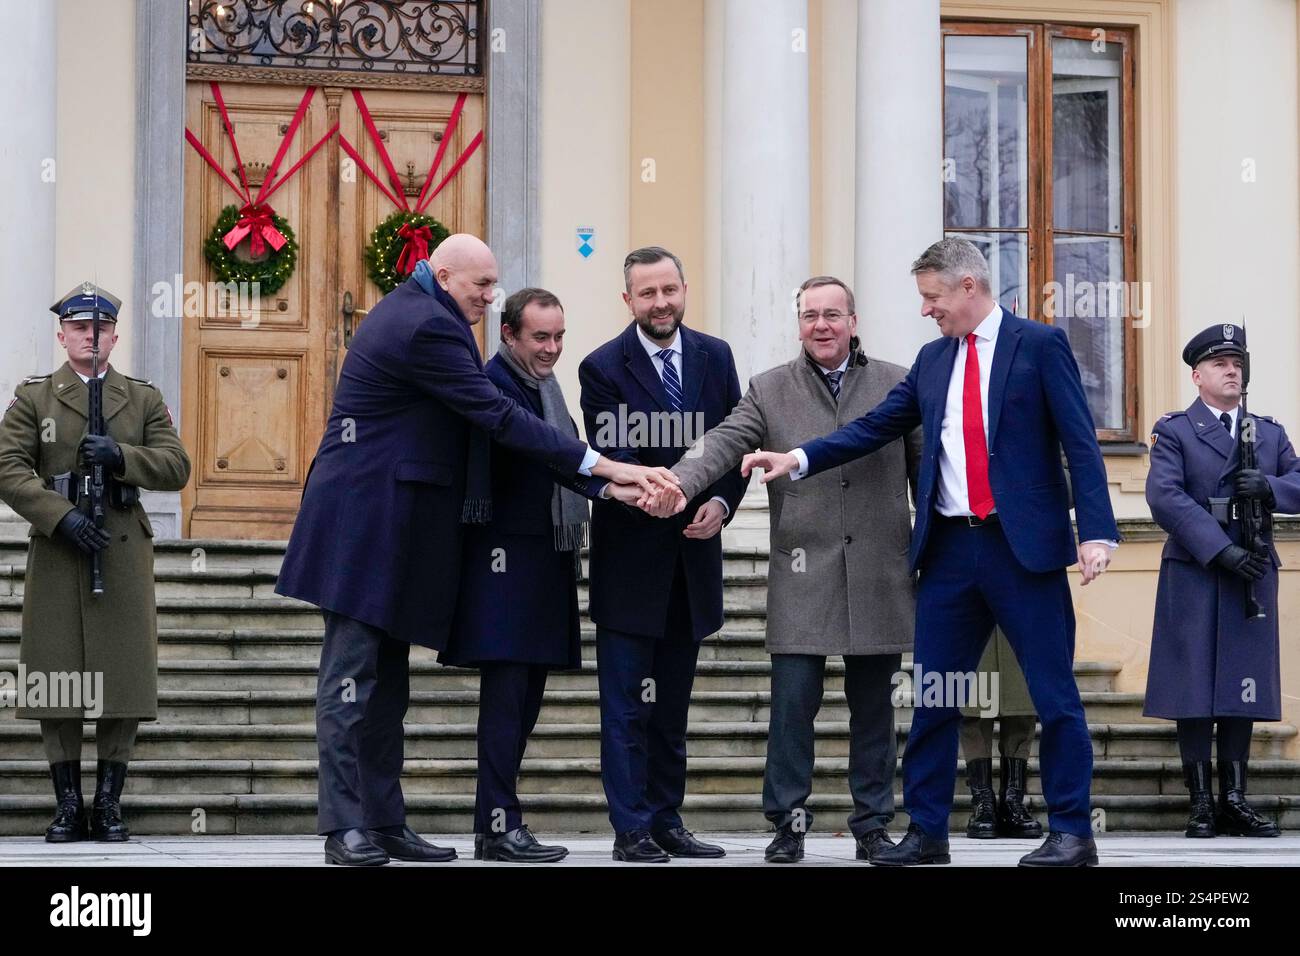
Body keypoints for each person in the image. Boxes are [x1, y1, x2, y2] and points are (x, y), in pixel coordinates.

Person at [275, 235, 682, 866]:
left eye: (494, 286)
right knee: (352, 680)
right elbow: (494, 413)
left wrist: (605, 482)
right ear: (441, 274)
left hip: (399, 523)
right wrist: (604, 465)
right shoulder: (424, 325)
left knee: (387, 685)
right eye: (481, 286)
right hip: (364, 522)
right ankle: (344, 826)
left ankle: (383, 822)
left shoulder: (432, 313)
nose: (491, 298)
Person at [742, 237, 1119, 867]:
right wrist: (800, 457)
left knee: (1055, 696)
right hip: (948, 553)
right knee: (935, 696)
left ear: (968, 287)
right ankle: (927, 833)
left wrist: (1098, 532)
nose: (926, 311)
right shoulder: (933, 360)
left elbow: (1080, 444)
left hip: (1020, 551)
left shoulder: (1039, 346)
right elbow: (875, 427)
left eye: (931, 297)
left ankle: (1073, 833)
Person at [663, 275, 919, 863]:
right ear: (798, 323)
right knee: (791, 708)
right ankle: (788, 824)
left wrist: (935, 548)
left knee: (875, 710)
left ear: (854, 321)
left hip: (881, 569)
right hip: (803, 571)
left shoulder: (898, 383)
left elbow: (927, 466)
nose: (821, 325)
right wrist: (674, 480)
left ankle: (873, 826)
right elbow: (723, 443)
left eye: (833, 314)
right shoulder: (769, 389)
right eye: (810, 316)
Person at [443, 287, 635, 862]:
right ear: (508, 334)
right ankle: (498, 829)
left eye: (558, 337)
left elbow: (566, 459)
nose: (552, 348)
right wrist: (610, 480)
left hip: (545, 562)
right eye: (540, 337)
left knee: (524, 705)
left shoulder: (545, 387)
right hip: (501, 568)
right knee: (505, 706)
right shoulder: (495, 385)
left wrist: (614, 488)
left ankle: (494, 827)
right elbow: (548, 454)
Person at [0, 282, 191, 843]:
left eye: (101, 328)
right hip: (61, 551)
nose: (91, 336)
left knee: (122, 677)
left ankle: (108, 806)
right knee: (57, 677)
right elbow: (8, 467)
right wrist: (59, 516)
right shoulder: (34, 398)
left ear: (114, 334)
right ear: (62, 335)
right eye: (80, 328)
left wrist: (124, 457)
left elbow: (176, 465)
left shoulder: (143, 397)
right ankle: (66, 805)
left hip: (121, 547)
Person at [579, 246, 748, 862]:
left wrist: (722, 503)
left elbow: (737, 439)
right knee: (625, 708)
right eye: (647, 294)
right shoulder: (602, 366)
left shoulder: (716, 356)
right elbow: (612, 454)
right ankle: (632, 831)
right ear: (628, 301)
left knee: (670, 706)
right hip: (632, 563)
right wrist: (662, 494)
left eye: (669, 290)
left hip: (693, 560)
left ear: (684, 288)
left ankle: (667, 819)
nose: (661, 303)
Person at [1144, 323, 1300, 838]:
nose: (1232, 370)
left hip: (1251, 572)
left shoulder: (1268, 433)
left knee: (1242, 687)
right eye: (1219, 364)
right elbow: (1165, 497)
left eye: (1237, 363)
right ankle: (1201, 804)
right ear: (1197, 376)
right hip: (1197, 569)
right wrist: (1220, 547)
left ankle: (1234, 798)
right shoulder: (1175, 431)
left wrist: (1271, 487)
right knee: (1193, 686)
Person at [958, 628, 1043, 839]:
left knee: (1022, 707)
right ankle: (982, 800)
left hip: (1020, 608)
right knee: (974, 706)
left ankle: (1012, 799)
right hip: (973, 608)